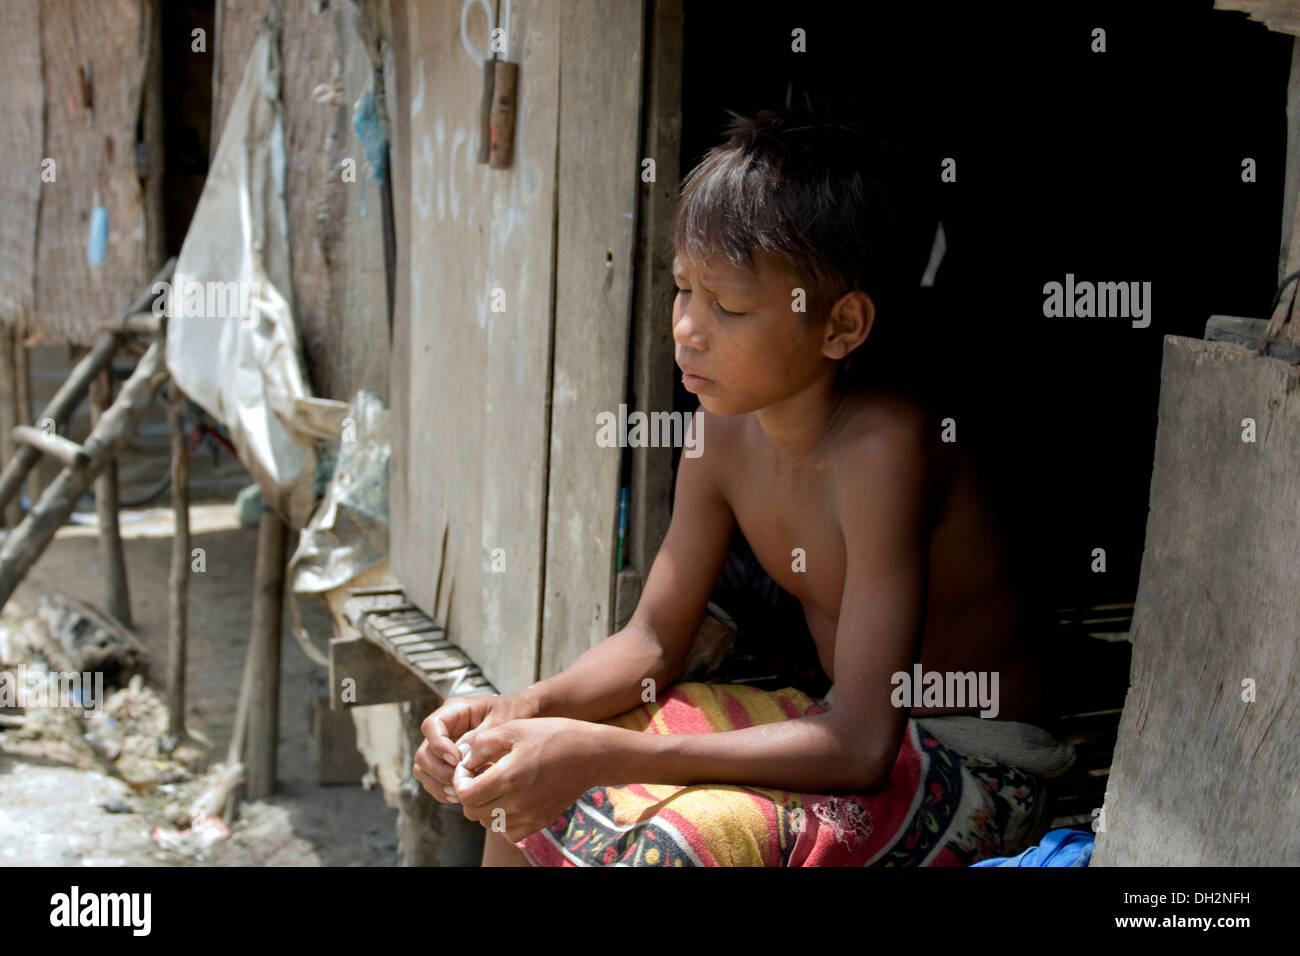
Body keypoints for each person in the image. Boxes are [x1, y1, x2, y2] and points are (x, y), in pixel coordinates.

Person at [412, 108, 1070, 866]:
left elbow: (860, 746)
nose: (688, 327)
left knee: (673, 841)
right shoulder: (719, 433)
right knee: (518, 793)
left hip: (975, 761)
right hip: (842, 729)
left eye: (728, 306)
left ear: (841, 326)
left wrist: (598, 754)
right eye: (684, 289)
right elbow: (652, 642)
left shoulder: (886, 451)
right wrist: (517, 711)